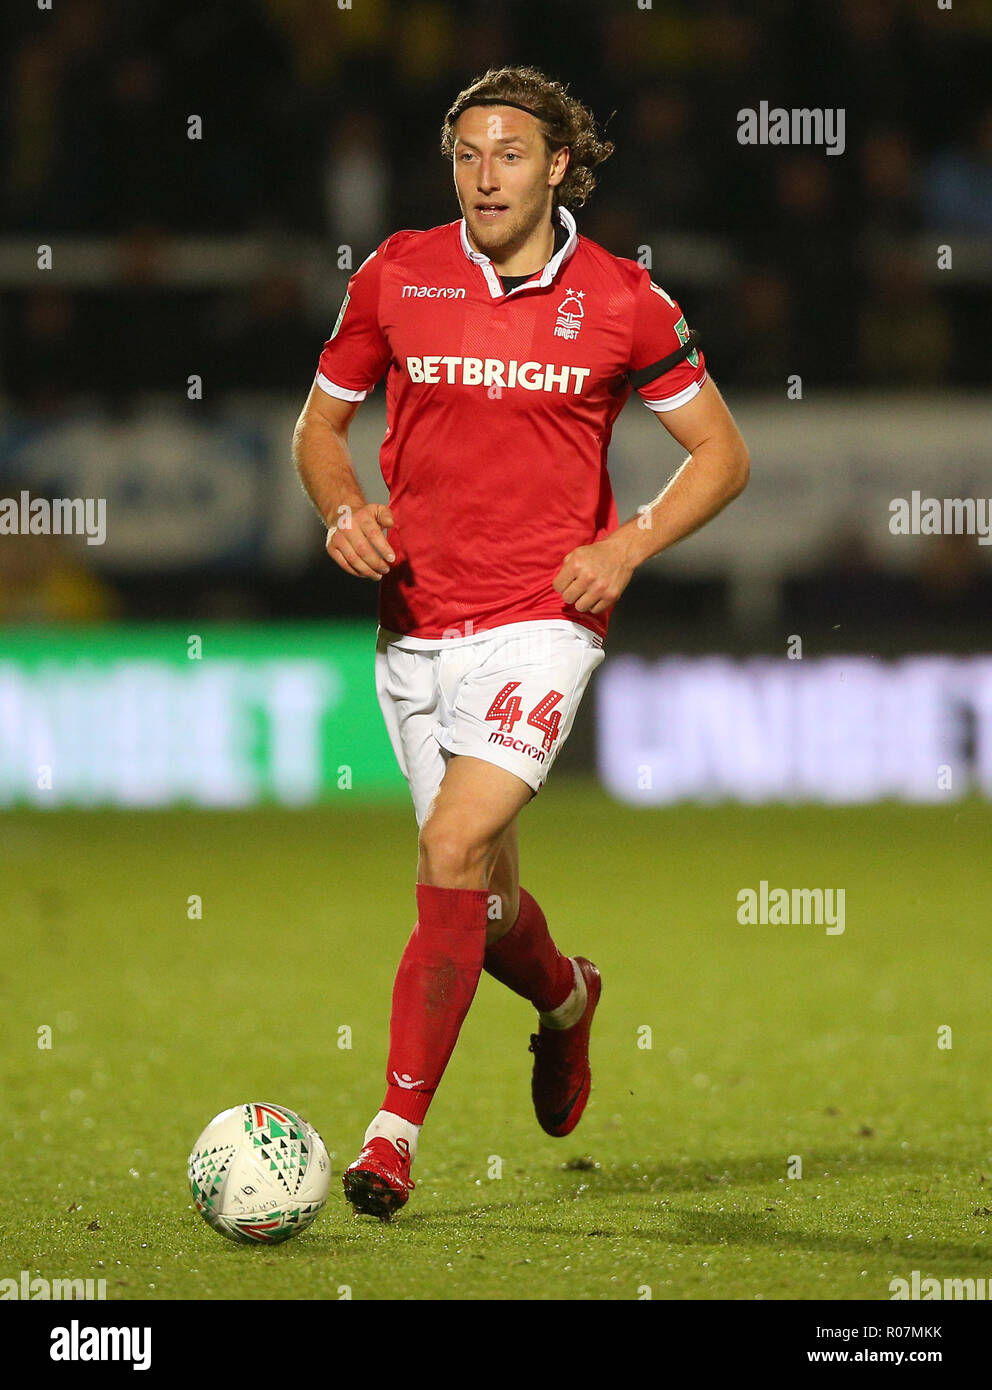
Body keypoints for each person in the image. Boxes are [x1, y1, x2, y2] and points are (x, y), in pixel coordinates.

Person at [293, 66, 749, 1220]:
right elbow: (319, 429)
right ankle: (565, 1000)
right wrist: (344, 511)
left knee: (449, 848)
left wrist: (628, 544)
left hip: (545, 621)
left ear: (557, 166)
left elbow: (721, 455)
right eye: (465, 153)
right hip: (416, 625)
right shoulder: (395, 274)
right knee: (482, 897)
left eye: (508, 153)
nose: (483, 174)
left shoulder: (623, 299)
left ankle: (390, 1139)